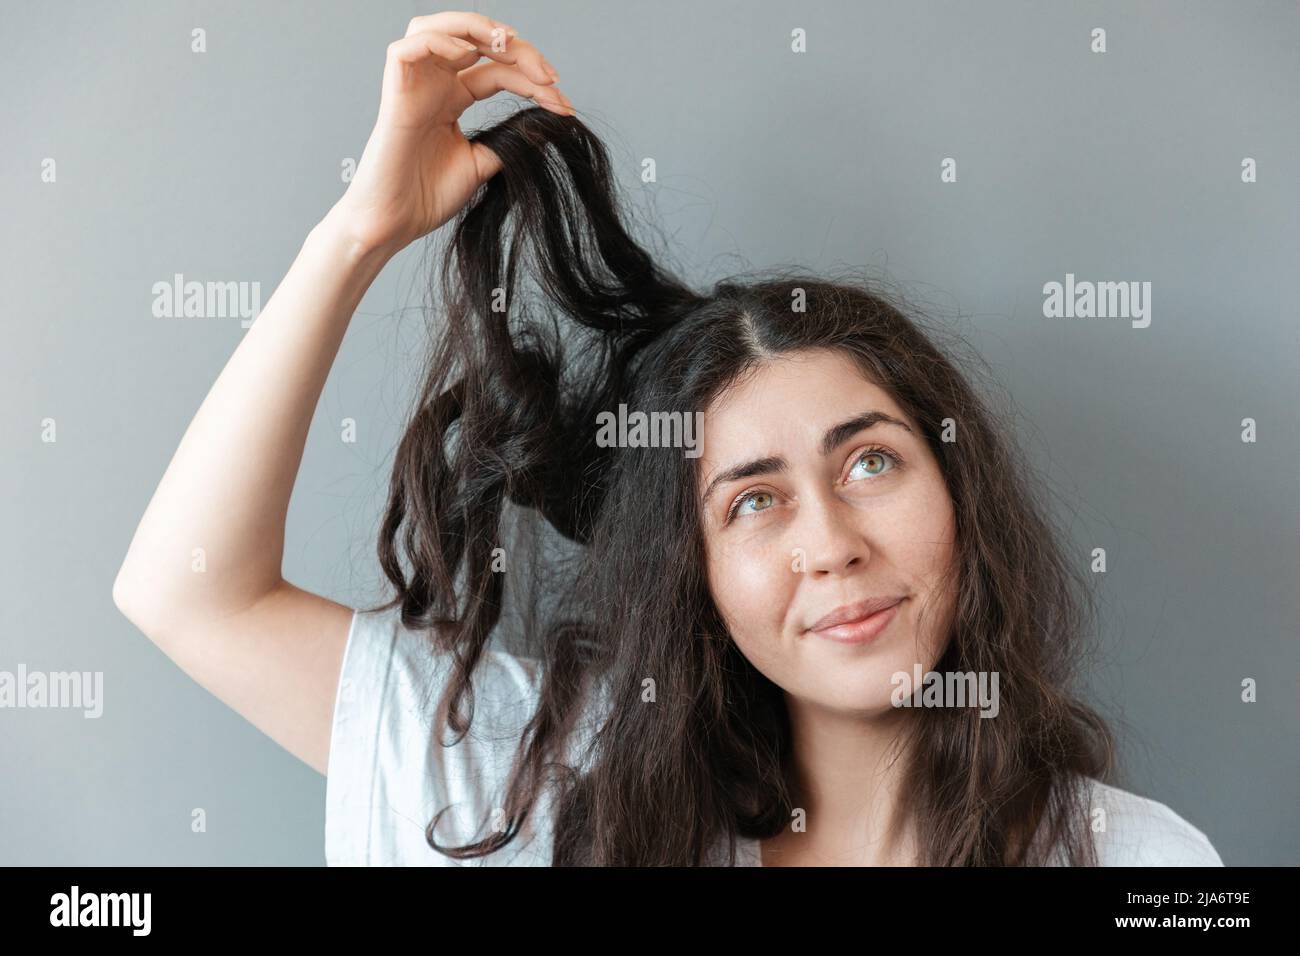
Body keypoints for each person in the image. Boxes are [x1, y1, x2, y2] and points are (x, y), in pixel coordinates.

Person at [112, 11, 1224, 867]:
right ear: (690, 570)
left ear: (958, 488)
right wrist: (358, 230)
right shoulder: (556, 796)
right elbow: (188, 592)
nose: (830, 543)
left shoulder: (1144, 861)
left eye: (870, 460)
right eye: (752, 498)